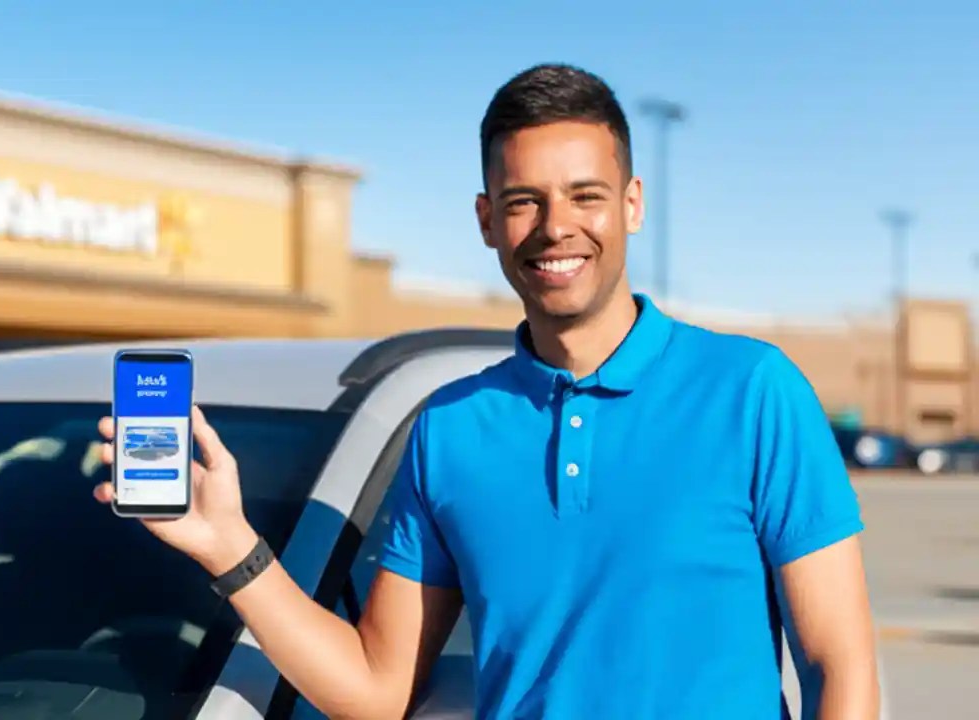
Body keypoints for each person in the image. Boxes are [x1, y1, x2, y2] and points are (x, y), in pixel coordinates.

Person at [95, 64, 879, 719]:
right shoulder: (449, 430)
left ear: (632, 204)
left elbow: (838, 666)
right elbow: (375, 686)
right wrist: (226, 543)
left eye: (585, 195)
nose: (555, 226)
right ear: (486, 220)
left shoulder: (752, 391)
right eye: (523, 201)